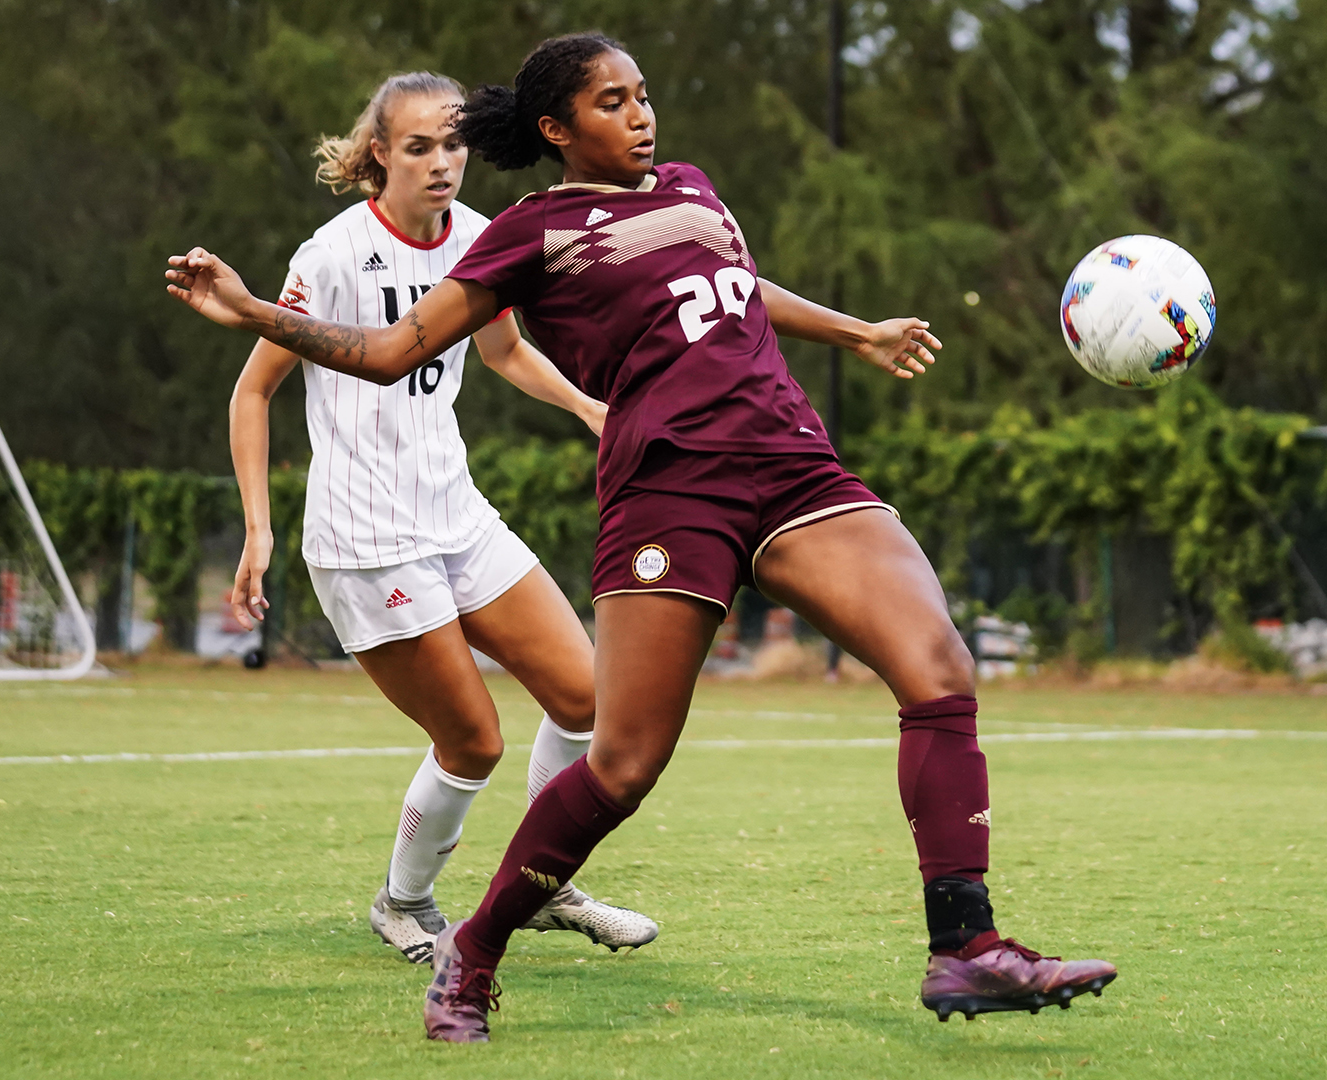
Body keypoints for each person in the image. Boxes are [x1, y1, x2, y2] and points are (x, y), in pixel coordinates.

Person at [170, 35, 1116, 1044]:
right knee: (620, 765)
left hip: (793, 466)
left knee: (939, 671)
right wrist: (254, 312)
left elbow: (739, 287)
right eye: (612, 102)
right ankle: (473, 951)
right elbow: (395, 348)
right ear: (556, 128)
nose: (641, 115)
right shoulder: (530, 233)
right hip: (670, 492)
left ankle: (966, 944)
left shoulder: (694, 189)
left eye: (644, 96)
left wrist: (858, 332)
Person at [224, 69, 656, 967]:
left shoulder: (477, 238)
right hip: (366, 540)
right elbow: (252, 391)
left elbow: (504, 350)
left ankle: (544, 884)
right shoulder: (332, 255)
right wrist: (258, 528)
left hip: (456, 516)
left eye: (453, 145)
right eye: (419, 146)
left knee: (587, 699)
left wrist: (587, 407)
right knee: (472, 741)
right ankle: (403, 902)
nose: (441, 163)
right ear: (380, 153)